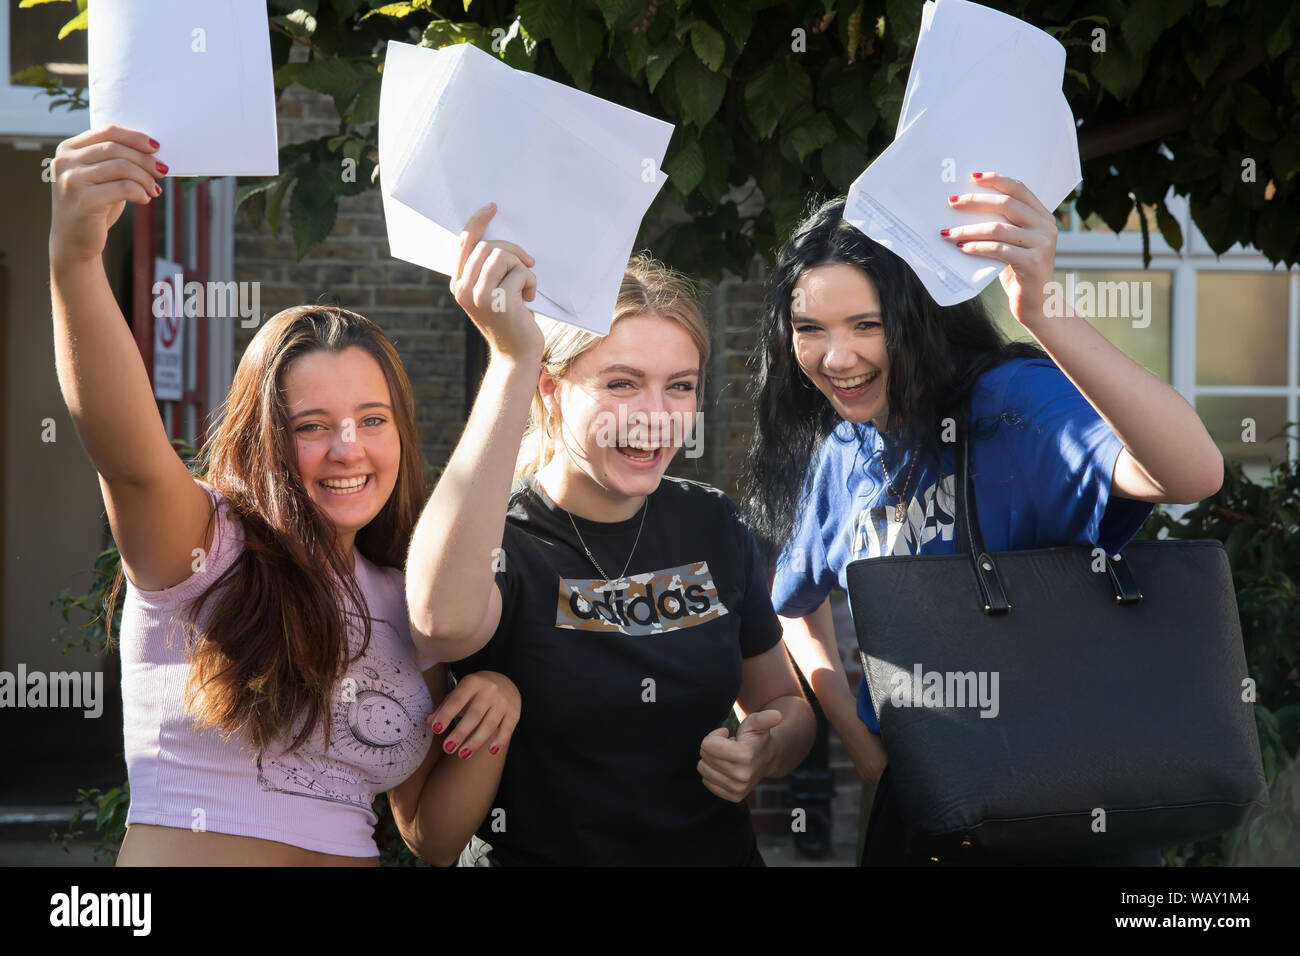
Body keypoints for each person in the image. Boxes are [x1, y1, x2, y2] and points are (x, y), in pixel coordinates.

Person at [49, 125, 516, 866]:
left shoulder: (406, 597)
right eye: (311, 425)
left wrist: (497, 707)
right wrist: (75, 261)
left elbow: (431, 834)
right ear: (264, 437)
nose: (347, 448)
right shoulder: (209, 543)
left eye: (372, 420)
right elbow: (127, 457)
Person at [741, 177, 1225, 865]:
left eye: (867, 326)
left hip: (1059, 807)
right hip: (921, 815)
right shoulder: (842, 454)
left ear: (924, 316)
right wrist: (860, 740)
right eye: (810, 330)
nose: (836, 358)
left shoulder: (1010, 403)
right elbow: (792, 602)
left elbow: (1191, 474)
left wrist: (1046, 314)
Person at [405, 203, 816, 865]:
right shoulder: (504, 540)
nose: (656, 417)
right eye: (622, 384)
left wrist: (766, 748)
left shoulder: (712, 522)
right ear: (551, 391)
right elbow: (443, 623)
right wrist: (511, 358)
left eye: (679, 387)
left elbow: (783, 704)